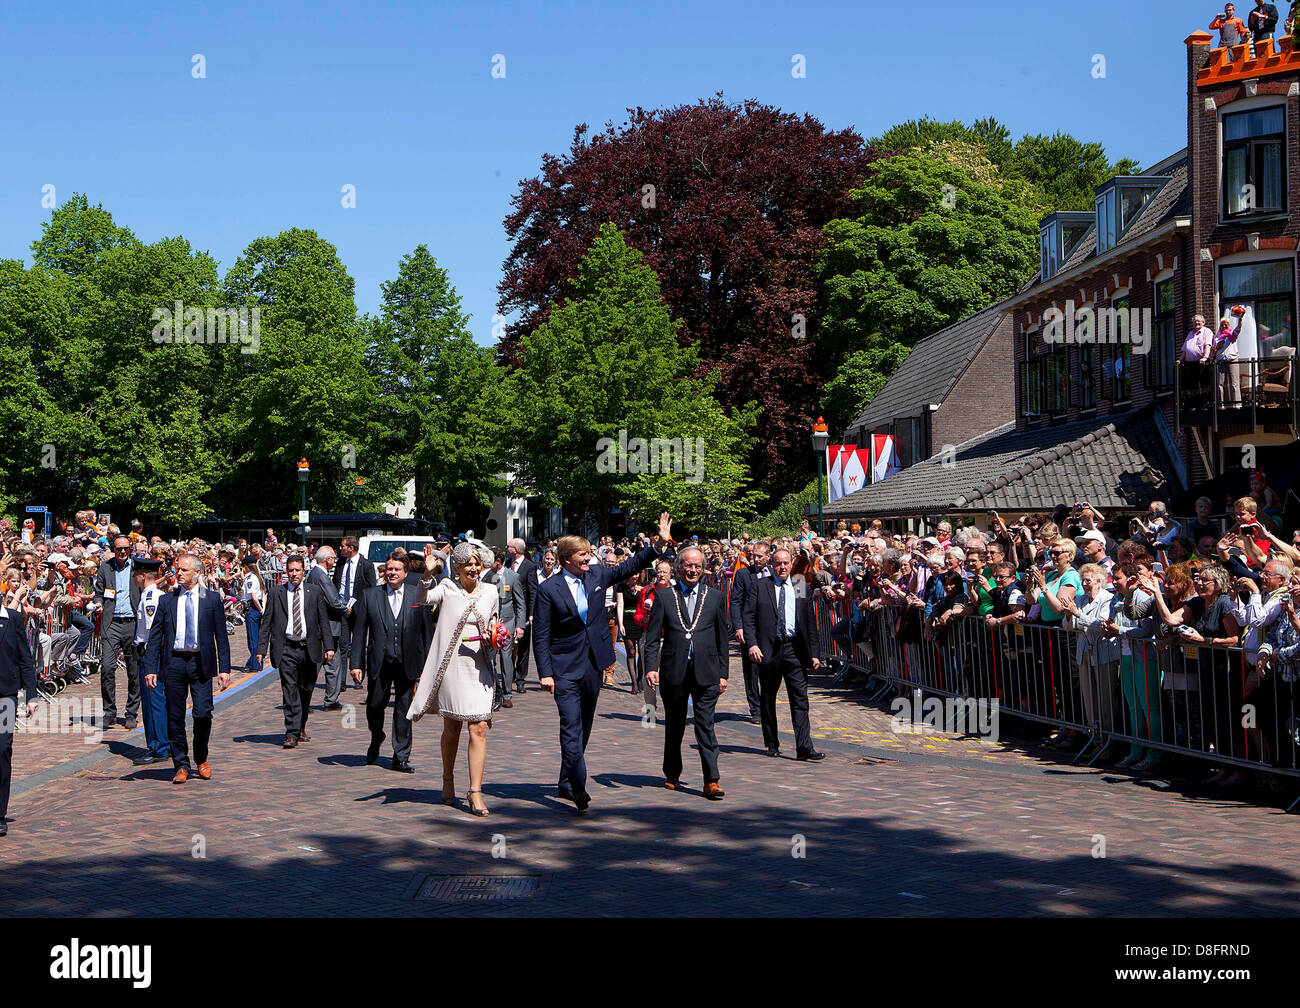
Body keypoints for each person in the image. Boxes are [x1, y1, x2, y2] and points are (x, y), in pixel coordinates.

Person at [533, 512, 670, 813]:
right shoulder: (548, 589)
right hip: (564, 667)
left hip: (594, 663)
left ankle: (565, 781)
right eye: (583, 554)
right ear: (567, 558)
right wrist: (545, 673)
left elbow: (629, 566)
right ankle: (579, 788)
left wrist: (657, 544)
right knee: (570, 724)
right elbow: (541, 635)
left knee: (584, 726)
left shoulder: (596, 575)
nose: (589, 558)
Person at [408, 543, 500, 816]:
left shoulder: (492, 591)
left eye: (477, 564)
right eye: (467, 565)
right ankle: (448, 780)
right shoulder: (447, 588)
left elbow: (495, 620)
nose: (473, 569)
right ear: (457, 568)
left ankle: (475, 792)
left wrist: (496, 634)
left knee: (479, 727)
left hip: (479, 664)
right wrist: (427, 574)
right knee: (453, 727)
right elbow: (422, 598)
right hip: (452, 666)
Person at [643, 546, 729, 799]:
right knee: (675, 725)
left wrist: (723, 673)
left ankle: (711, 779)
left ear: (703, 569)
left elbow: (722, 638)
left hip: (706, 672)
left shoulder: (714, 597)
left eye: (697, 566)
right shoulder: (664, 597)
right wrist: (650, 667)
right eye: (688, 566)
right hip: (674, 671)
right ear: (679, 567)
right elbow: (651, 638)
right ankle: (672, 772)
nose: (693, 570)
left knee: (705, 725)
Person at [140, 555, 232, 784]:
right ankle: (181, 764)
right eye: (177, 569)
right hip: (174, 662)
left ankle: (201, 758)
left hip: (200, 662)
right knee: (174, 715)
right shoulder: (167, 600)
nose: (178, 573)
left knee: (202, 713)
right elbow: (155, 638)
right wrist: (150, 668)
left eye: (183, 570)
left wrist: (225, 668)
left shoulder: (210, 599)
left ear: (196, 572)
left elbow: (221, 636)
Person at [350, 555, 433, 775]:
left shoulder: (417, 594)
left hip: (408, 661)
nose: (392, 573)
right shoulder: (370, 596)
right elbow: (359, 633)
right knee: (375, 705)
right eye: (389, 569)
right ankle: (376, 735)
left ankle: (401, 755)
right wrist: (356, 663)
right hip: (380, 661)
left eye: (397, 569)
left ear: (406, 573)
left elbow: (427, 633)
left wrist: (427, 667)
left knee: (404, 709)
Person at [742, 547, 826, 761]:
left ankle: (804, 747)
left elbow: (809, 622)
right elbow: (749, 617)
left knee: (800, 699)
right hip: (769, 649)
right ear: (772, 564)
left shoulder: (800, 585)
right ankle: (771, 743)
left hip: (794, 649)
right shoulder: (761, 586)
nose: (782, 567)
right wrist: (752, 644)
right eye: (778, 563)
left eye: (786, 563)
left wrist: (814, 653)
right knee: (768, 697)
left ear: (791, 565)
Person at [256, 555, 335, 749]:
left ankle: (301, 725)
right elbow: (266, 622)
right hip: (286, 648)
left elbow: (323, 620)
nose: (293, 574)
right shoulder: (277, 593)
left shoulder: (314, 592)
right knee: (289, 690)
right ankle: (291, 732)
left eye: (297, 570)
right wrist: (261, 649)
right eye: (290, 570)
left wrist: (329, 646)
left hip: (309, 648)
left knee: (306, 689)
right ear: (286, 572)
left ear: (304, 572)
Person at [0, 593, 39, 836]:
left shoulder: (12, 619)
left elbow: (26, 658)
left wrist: (31, 696)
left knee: (2, 749)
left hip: (5, 696)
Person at [93, 536, 142, 730]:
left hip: (133, 623)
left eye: (125, 549)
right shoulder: (106, 567)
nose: (122, 552)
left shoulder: (137, 566)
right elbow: (99, 591)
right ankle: (109, 711)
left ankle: (131, 712)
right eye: (118, 549)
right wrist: (98, 602)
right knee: (107, 667)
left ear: (130, 549)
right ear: (113, 549)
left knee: (134, 669)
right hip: (111, 623)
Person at [129, 559, 171, 767]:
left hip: (150, 652)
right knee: (156, 700)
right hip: (151, 651)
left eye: (136, 573)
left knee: (153, 701)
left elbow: (153, 632)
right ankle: (162, 743)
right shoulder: (153, 595)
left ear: (143, 575)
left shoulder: (151, 598)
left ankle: (158, 746)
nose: (134, 576)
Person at [729, 540, 769, 722]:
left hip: (768, 629)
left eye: (760, 556)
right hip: (748, 628)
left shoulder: (774, 574)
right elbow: (735, 601)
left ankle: (768, 705)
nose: (756, 559)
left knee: (768, 669)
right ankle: (755, 708)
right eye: (754, 556)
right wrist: (738, 627)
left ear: (768, 556)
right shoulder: (743, 574)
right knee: (751, 670)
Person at [306, 546, 347, 710]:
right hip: (327, 627)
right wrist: (345, 608)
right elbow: (333, 600)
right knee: (329, 665)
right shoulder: (321, 576)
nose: (334, 561)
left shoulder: (313, 574)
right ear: (328, 559)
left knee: (327, 665)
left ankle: (327, 699)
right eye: (333, 558)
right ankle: (329, 700)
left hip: (320, 627)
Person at [481, 550, 524, 708]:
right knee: (489, 656)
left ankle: (507, 693)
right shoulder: (486, 577)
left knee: (506, 656)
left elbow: (520, 603)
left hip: (507, 621)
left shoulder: (513, 577)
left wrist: (519, 625)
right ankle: (492, 690)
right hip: (491, 622)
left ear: (498, 561)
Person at [239, 556, 266, 673]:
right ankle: (258, 663)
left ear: (246, 566)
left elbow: (253, 597)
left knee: (253, 638)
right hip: (256, 607)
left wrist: (260, 610)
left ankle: (254, 664)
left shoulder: (250, 578)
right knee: (257, 637)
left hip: (252, 608)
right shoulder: (258, 577)